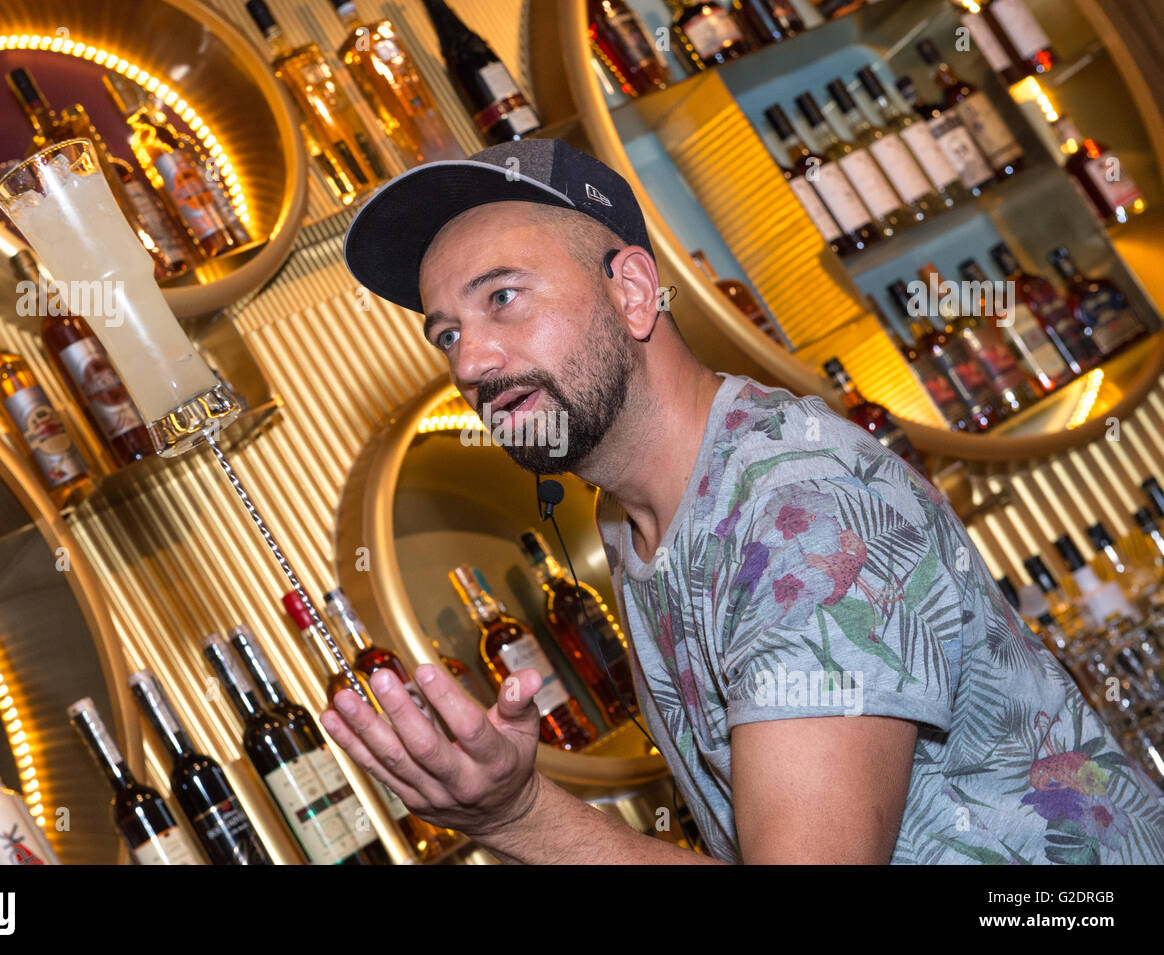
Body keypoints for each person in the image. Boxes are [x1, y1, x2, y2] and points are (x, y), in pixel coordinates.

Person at [325, 138, 1164, 864]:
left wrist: (518, 815)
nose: (468, 362)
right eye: (445, 332)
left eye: (501, 297)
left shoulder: (800, 509)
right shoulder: (629, 518)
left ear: (632, 290)